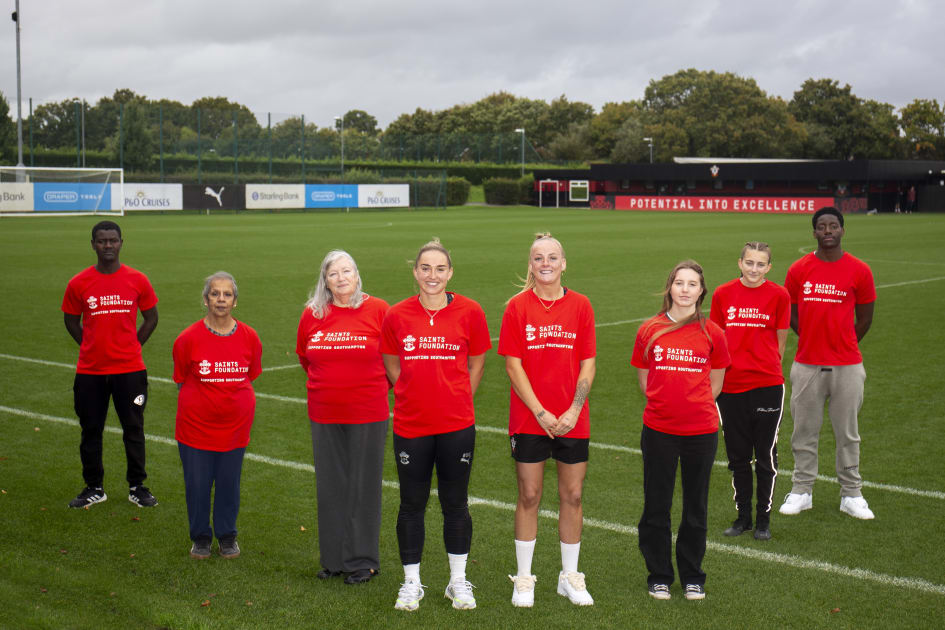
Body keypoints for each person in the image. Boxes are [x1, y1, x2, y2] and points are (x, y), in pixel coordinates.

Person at [380, 240, 491, 612]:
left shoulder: (471, 311)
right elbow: (391, 363)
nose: (432, 276)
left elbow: (477, 363)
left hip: (457, 425)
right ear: (415, 272)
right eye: (425, 268)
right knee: (411, 504)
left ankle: (457, 581)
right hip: (411, 425)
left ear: (450, 273)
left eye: (439, 269)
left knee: (455, 503)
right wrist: (411, 393)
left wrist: (458, 396)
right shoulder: (396, 315)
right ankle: (411, 583)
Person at [498, 234, 596, 608]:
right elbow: (512, 365)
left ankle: (569, 576)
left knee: (572, 494)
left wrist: (573, 409)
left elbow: (588, 361)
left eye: (552, 257)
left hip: (574, 419)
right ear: (531, 264)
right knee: (529, 495)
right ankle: (524, 578)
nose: (545, 263)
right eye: (538, 257)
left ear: (563, 263)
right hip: (529, 418)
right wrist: (540, 411)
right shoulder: (517, 307)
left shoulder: (581, 305)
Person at [631, 260, 730, 601]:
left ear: (702, 291)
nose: (685, 289)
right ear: (670, 287)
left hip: (701, 431)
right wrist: (667, 403)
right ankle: (658, 574)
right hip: (659, 430)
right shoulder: (649, 329)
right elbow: (645, 381)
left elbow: (716, 382)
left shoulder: (713, 332)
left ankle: (692, 576)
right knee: (657, 504)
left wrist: (693, 403)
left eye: (692, 284)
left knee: (695, 506)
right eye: (679, 283)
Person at [296, 250, 390, 585]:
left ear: (356, 273)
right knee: (330, 486)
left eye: (346, 270)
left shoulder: (378, 310)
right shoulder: (313, 314)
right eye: (333, 273)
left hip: (367, 411)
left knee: (363, 487)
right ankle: (333, 559)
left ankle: (362, 560)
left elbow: (394, 359)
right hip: (324, 412)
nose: (341, 278)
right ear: (325, 279)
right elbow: (305, 357)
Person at [779, 207, 876, 520]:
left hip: (847, 365)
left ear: (843, 230)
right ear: (815, 233)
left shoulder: (860, 270)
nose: (828, 231)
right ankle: (801, 490)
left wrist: (842, 343)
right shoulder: (799, 269)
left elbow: (865, 318)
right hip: (807, 364)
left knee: (847, 433)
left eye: (834, 225)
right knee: (804, 431)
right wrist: (809, 337)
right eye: (822, 227)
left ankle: (851, 493)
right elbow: (789, 310)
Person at [62, 220, 159, 509]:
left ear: (120, 243)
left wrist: (132, 346)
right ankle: (94, 487)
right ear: (93, 244)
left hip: (130, 370)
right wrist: (90, 345)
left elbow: (151, 317)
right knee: (90, 429)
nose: (107, 245)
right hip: (91, 371)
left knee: (133, 427)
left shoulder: (137, 279)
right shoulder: (78, 282)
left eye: (112, 240)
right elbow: (70, 319)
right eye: (102, 241)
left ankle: (137, 486)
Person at [173, 272, 262, 559]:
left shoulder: (249, 336)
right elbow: (181, 377)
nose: (220, 299)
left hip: (235, 429)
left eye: (227, 294)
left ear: (235, 301)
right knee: (197, 485)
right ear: (205, 299)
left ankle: (226, 536)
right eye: (215, 293)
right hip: (196, 429)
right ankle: (200, 537)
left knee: (228, 484)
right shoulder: (187, 339)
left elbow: (251, 374)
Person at [709, 242, 790, 541]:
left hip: (767, 385)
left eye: (761, 264)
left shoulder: (780, 295)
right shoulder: (722, 293)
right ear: (740, 263)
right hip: (730, 387)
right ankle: (743, 516)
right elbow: (716, 340)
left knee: (766, 455)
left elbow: (780, 342)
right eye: (749, 263)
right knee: (738, 456)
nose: (754, 269)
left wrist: (763, 365)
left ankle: (763, 520)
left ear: (768, 267)